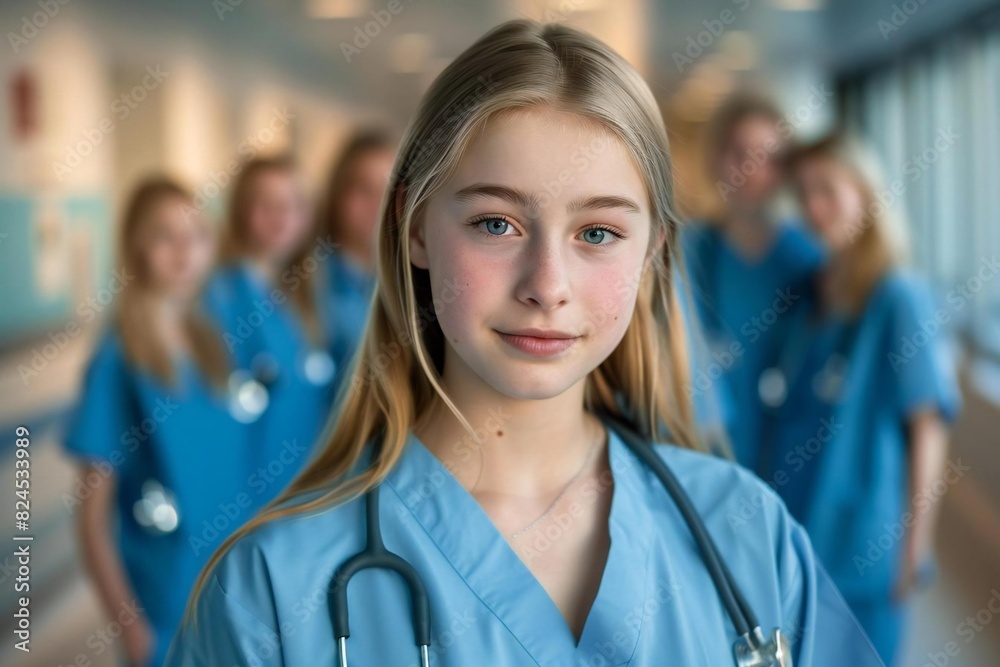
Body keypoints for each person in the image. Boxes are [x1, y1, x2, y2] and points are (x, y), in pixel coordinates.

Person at [165, 21, 883, 666]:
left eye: (597, 233)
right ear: (416, 227)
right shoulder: (269, 592)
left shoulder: (749, 536)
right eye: (496, 223)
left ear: (651, 255)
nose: (547, 284)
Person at [760, 133, 960, 665]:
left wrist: (914, 548)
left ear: (866, 192)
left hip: (865, 539)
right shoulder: (811, 292)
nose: (813, 208)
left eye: (827, 189)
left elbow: (928, 429)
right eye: (802, 194)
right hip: (799, 525)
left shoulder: (898, 297)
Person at [64, 178, 253, 666]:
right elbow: (90, 517)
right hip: (165, 600)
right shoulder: (118, 358)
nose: (184, 252)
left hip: (233, 589)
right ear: (136, 247)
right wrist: (132, 630)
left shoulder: (213, 342)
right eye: (165, 236)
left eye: (196, 236)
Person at [683, 93, 824, 469]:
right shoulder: (687, 251)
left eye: (769, 159)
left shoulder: (812, 261)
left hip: (795, 461)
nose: (751, 171)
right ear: (715, 159)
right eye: (738, 154)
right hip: (702, 456)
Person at [202, 156, 336, 502]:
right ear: (240, 211)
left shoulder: (302, 292)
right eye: (267, 204)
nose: (281, 217)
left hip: (300, 489)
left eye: (292, 205)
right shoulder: (217, 296)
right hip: (244, 497)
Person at [313, 129, 396, 380]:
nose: (377, 204)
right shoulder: (306, 283)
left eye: (388, 191)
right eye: (363, 189)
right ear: (338, 194)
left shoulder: (408, 282)